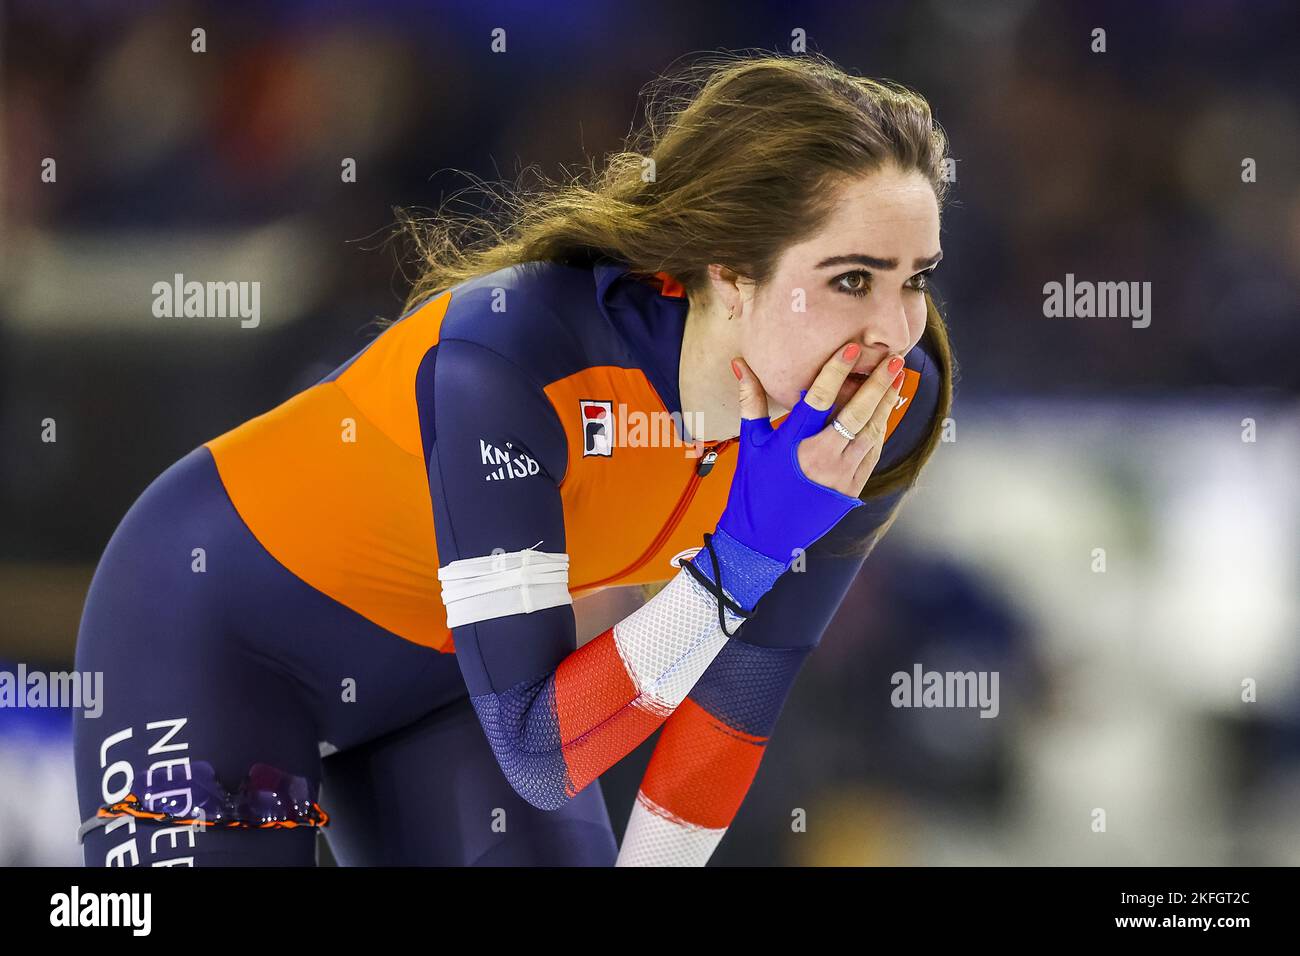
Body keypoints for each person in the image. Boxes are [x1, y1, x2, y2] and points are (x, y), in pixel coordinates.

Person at [72, 51, 955, 866]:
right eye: (851, 280)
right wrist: (746, 557)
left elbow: (738, 698)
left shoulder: (887, 407)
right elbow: (540, 752)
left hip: (464, 687)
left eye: (915, 278)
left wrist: (748, 562)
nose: (895, 330)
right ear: (728, 271)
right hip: (219, 636)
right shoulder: (512, 359)